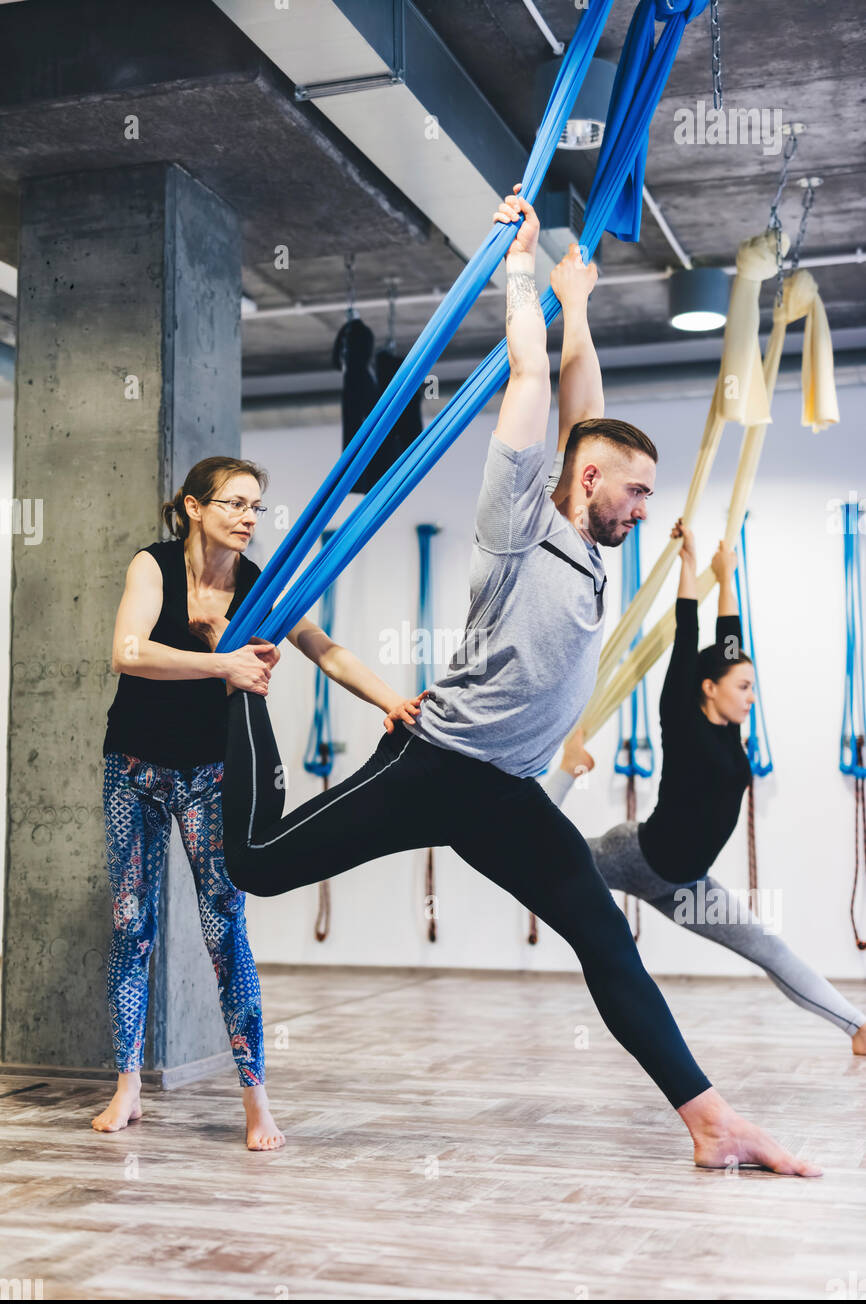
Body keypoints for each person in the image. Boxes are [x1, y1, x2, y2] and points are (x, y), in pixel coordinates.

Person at [217, 187, 821, 1176]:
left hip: (503, 792)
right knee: (256, 865)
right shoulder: (518, 527)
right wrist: (523, 266)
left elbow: (585, 400)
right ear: (585, 484)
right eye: (634, 489)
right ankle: (236, 695)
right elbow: (537, 382)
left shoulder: (597, 551)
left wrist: (580, 299)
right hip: (435, 763)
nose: (643, 507)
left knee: (600, 933)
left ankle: (710, 1118)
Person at [94, 456, 424, 1149]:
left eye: (256, 507)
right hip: (133, 768)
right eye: (235, 504)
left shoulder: (261, 589)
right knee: (131, 924)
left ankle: (256, 1101)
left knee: (225, 929)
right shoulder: (153, 567)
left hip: (210, 774)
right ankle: (127, 1086)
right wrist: (223, 662)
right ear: (192, 507)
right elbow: (128, 651)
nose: (249, 518)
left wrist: (391, 700)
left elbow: (325, 649)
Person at [547, 522, 866, 1051]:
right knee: (545, 852)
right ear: (708, 688)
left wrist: (727, 576)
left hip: (687, 886)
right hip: (633, 855)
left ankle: (858, 1028)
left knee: (767, 946)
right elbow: (690, 635)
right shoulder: (680, 714)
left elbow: (728, 643)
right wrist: (690, 564)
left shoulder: (729, 726)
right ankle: (567, 764)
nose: (751, 697)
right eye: (743, 687)